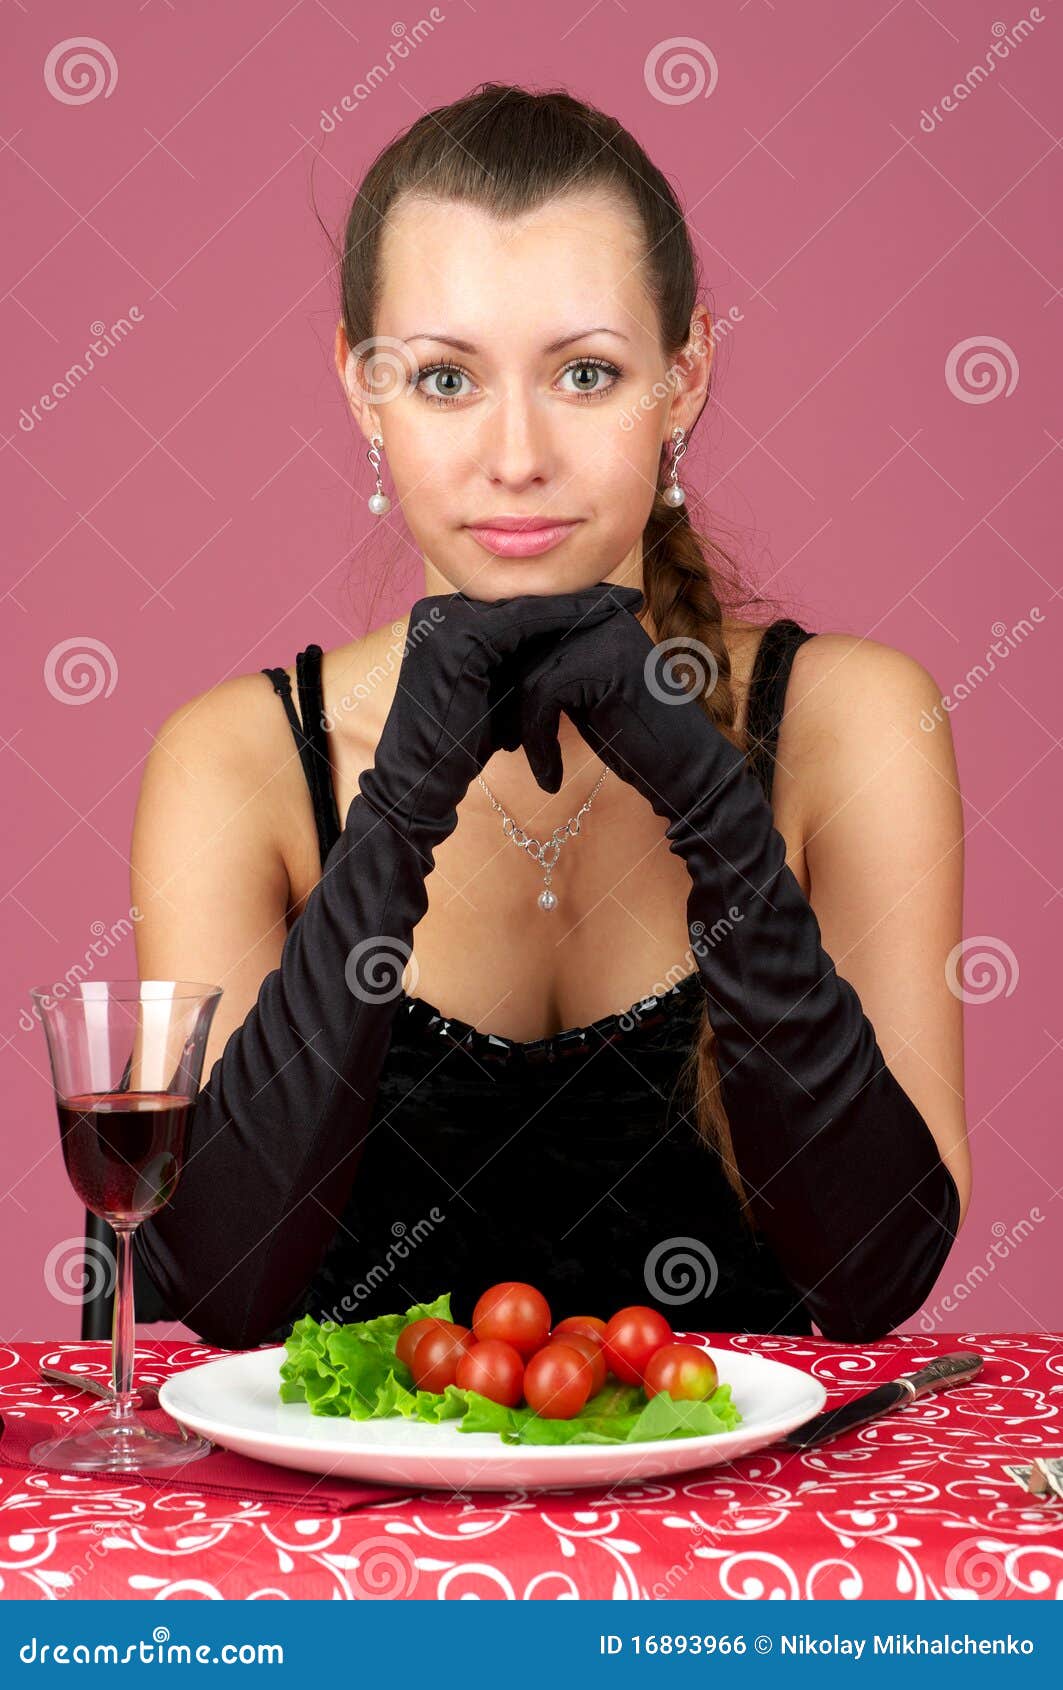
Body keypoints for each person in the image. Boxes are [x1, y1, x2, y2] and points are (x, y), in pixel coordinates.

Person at [130, 84, 969, 1352]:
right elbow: (221, 1286)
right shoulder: (237, 761)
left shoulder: (852, 722)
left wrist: (710, 801)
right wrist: (403, 798)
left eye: (585, 373)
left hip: (750, 1543)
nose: (515, 454)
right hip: (336, 1551)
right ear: (363, 391)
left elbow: (877, 1272)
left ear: (682, 377)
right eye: (444, 378)